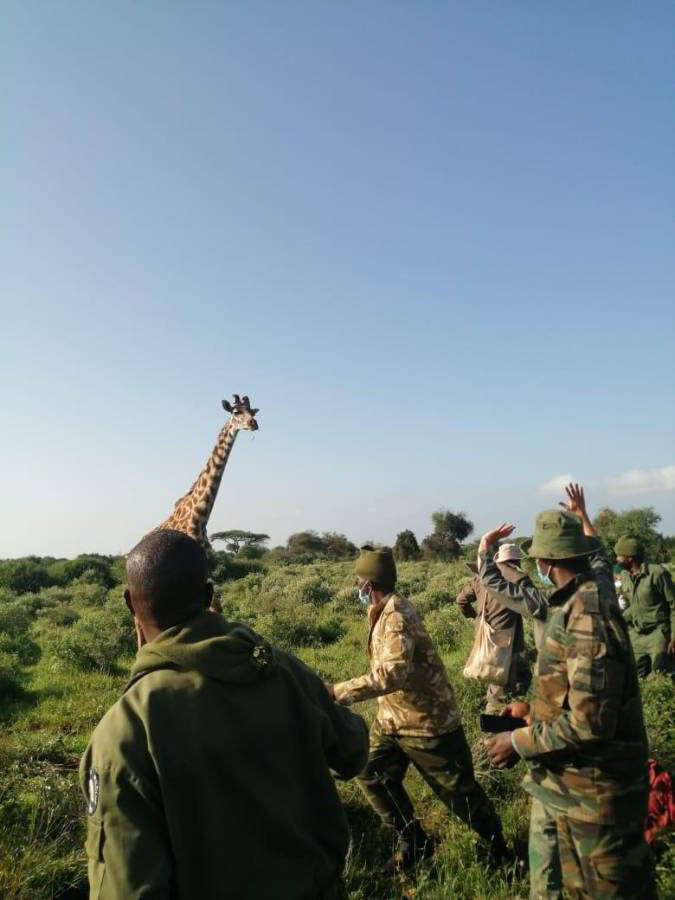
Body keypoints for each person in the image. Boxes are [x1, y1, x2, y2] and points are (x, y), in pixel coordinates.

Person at [80, 529, 369, 900]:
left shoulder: (126, 728)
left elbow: (126, 886)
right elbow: (353, 752)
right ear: (208, 595)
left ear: (129, 604)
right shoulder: (281, 669)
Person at [483, 484, 655, 899]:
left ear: (543, 560)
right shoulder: (580, 592)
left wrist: (518, 740)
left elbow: (590, 722)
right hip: (566, 786)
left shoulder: (587, 615)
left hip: (594, 798)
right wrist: (532, 709)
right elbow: (574, 694)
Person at [325, 545, 510, 872]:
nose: (357, 587)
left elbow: (393, 674)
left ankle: (501, 853)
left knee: (460, 797)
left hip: (428, 724)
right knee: (370, 773)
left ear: (368, 585)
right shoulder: (380, 610)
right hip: (392, 720)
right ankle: (413, 841)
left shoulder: (396, 615)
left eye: (359, 581)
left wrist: (337, 692)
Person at [457, 542, 531, 713]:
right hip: (506, 638)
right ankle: (493, 727)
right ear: (516, 561)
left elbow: (461, 600)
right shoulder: (517, 578)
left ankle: (516, 707)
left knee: (515, 675)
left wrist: (475, 617)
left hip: (487, 635)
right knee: (499, 689)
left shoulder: (481, 578)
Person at [614, 535, 675, 677]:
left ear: (630, 558)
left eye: (619, 556)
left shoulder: (657, 574)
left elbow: (673, 605)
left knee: (661, 676)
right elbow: (631, 605)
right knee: (634, 677)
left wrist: (674, 636)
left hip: (658, 633)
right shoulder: (624, 576)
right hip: (636, 634)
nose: (616, 559)